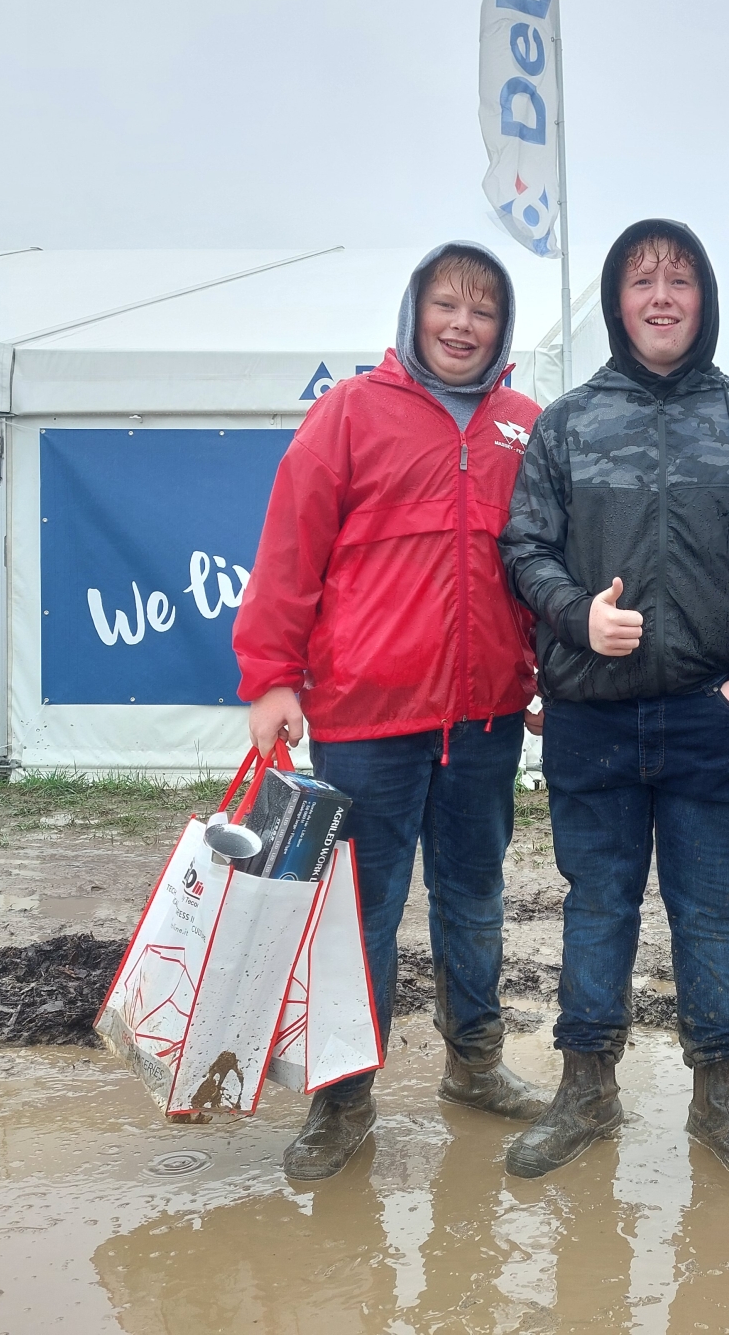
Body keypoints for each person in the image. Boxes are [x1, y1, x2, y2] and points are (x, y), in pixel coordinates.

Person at [233, 243, 550, 1182]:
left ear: (503, 328)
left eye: (482, 311)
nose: (462, 324)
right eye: (446, 304)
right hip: (369, 722)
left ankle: (476, 1064)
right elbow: (291, 552)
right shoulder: (349, 415)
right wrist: (271, 677)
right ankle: (343, 1097)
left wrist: (543, 671)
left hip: (486, 719)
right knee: (359, 914)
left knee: (475, 897)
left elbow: (540, 569)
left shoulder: (526, 427)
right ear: (415, 313)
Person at [499, 220, 729, 1187]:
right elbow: (524, 549)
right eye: (640, 280)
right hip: (593, 717)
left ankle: (723, 1099)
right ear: (615, 301)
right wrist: (577, 616)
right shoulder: (569, 423)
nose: (660, 296)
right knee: (598, 907)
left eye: (679, 280)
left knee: (711, 910)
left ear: (704, 297)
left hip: (714, 721)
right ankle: (586, 1088)